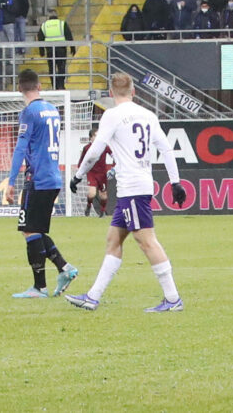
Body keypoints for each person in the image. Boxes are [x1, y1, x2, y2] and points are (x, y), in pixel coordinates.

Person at [63, 73, 183, 313]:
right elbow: (166, 149)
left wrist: (78, 175)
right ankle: (92, 297)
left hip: (132, 188)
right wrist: (175, 182)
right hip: (140, 185)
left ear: (110, 93)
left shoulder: (112, 115)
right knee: (113, 239)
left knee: (146, 241)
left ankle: (172, 299)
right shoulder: (148, 115)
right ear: (133, 92)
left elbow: (96, 149)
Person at [4, 67, 77, 300]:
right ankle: (65, 269)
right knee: (36, 229)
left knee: (29, 230)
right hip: (53, 176)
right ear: (39, 86)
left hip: (37, 178)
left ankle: (39, 288)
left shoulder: (29, 113)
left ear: (19, 88)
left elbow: (21, 147)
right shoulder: (53, 109)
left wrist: (10, 180)